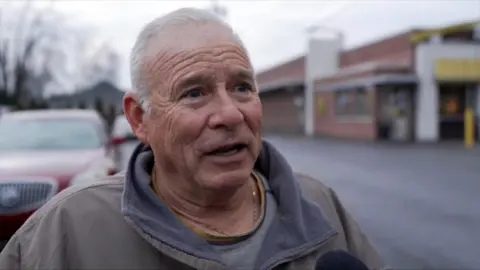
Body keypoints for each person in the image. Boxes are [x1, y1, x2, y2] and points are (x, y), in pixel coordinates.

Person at [0, 8, 383, 270]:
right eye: (194, 93)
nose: (230, 113)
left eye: (242, 87)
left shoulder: (319, 205)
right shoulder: (67, 231)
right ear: (139, 118)